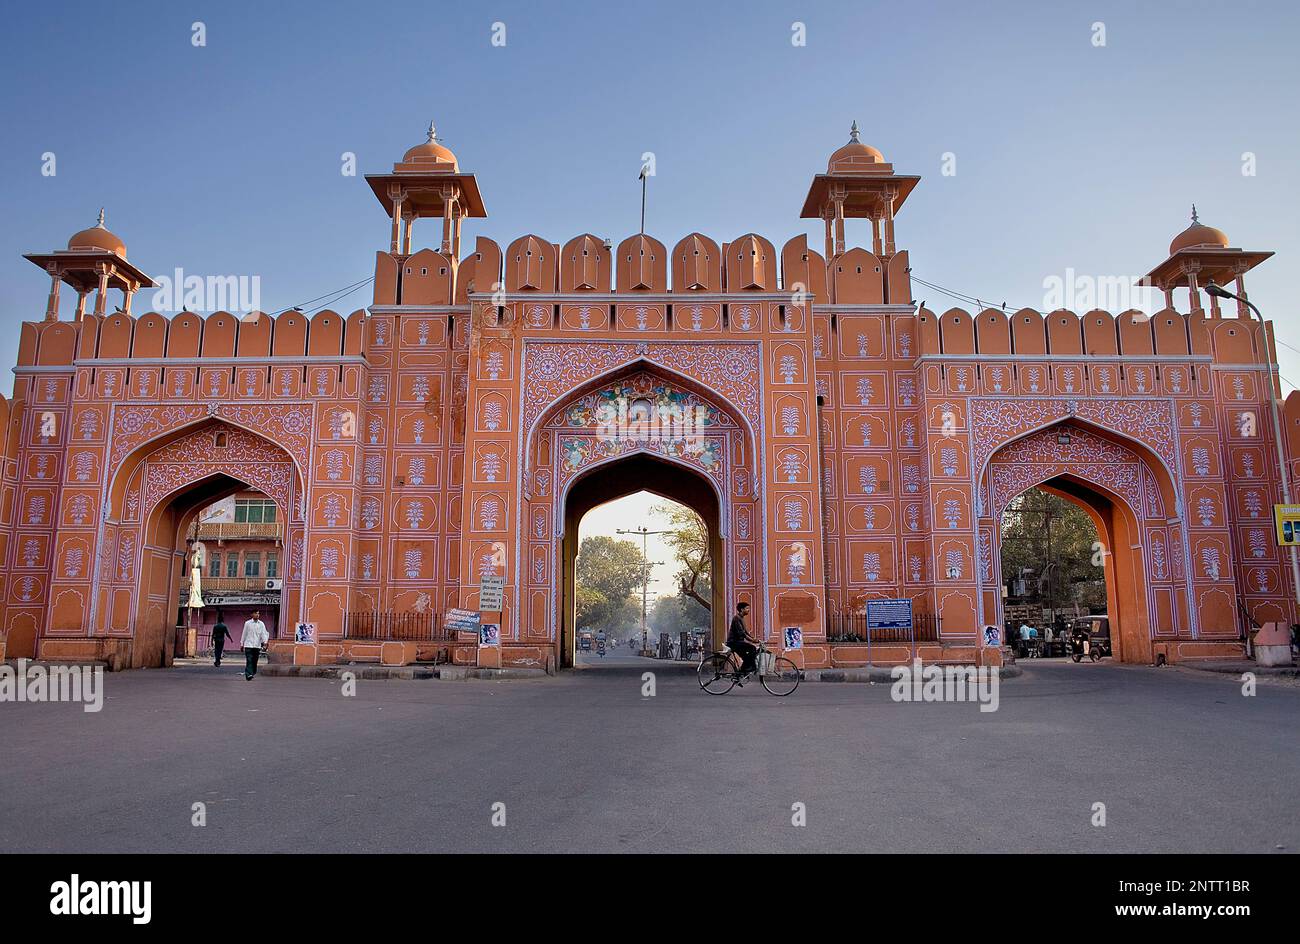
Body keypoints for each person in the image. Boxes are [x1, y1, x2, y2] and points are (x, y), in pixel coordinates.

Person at [728, 602, 758, 675]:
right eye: (747, 608)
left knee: (746, 658)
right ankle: (750, 667)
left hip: (738, 642)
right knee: (752, 648)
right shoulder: (736, 618)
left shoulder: (741, 618)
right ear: (741, 609)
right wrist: (751, 640)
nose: (748, 610)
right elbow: (742, 633)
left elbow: (746, 632)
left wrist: (754, 639)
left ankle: (740, 673)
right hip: (734, 642)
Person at [241, 609, 269, 681]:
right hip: (248, 645)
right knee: (249, 660)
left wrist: (265, 642)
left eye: (258, 613)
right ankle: (248, 674)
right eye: (256, 613)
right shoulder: (247, 623)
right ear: (252, 614)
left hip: (257, 645)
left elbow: (263, 634)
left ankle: (252, 672)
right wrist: (242, 643)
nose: (257, 615)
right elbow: (244, 633)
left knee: (254, 660)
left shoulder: (261, 624)